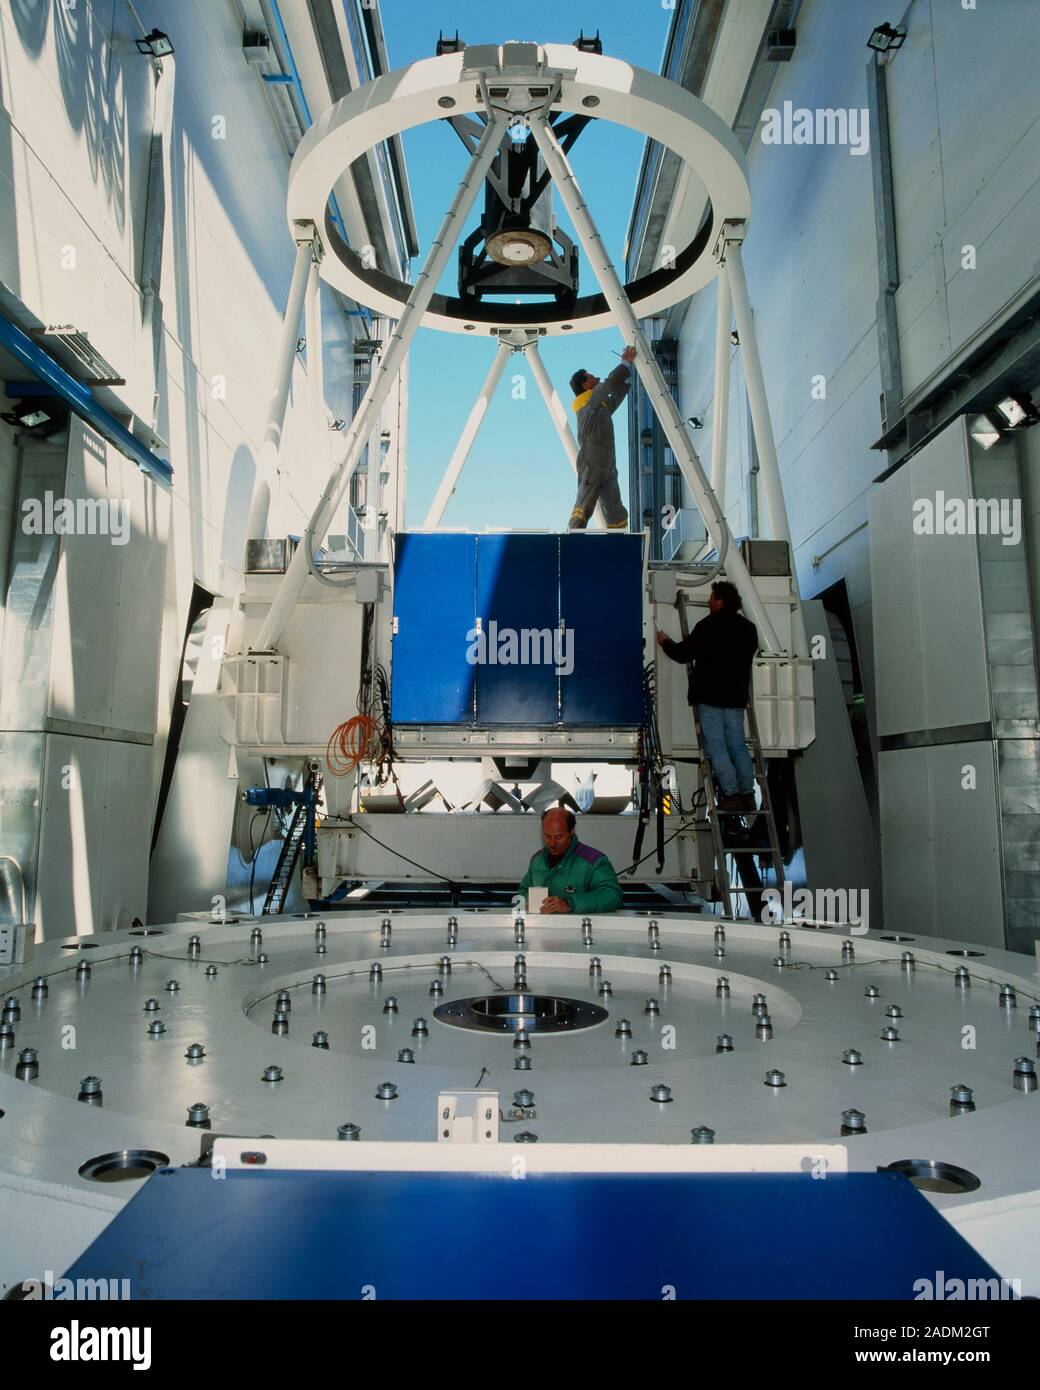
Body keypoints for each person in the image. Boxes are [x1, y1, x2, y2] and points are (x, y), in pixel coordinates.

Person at [655, 581, 759, 812]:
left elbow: (683, 654)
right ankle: (748, 794)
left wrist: (664, 641)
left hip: (710, 697)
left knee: (716, 747)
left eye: (712, 597)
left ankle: (731, 794)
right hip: (736, 697)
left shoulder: (708, 626)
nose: (709, 601)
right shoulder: (749, 628)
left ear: (720, 600)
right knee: (738, 746)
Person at [567, 345, 635, 530]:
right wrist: (625, 363)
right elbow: (610, 383)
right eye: (591, 377)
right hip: (592, 464)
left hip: (607, 465)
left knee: (614, 508)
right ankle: (571, 539)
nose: (596, 378)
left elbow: (615, 397)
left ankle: (617, 541)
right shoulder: (590, 402)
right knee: (584, 504)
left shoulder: (598, 406)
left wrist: (628, 381)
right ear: (585, 385)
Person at [518, 807, 623, 914]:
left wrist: (569, 904)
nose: (552, 843)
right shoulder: (538, 860)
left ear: (571, 830)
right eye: (547, 836)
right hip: (542, 926)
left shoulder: (594, 861)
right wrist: (526, 900)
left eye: (559, 837)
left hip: (581, 927)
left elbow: (612, 896)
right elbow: (523, 890)